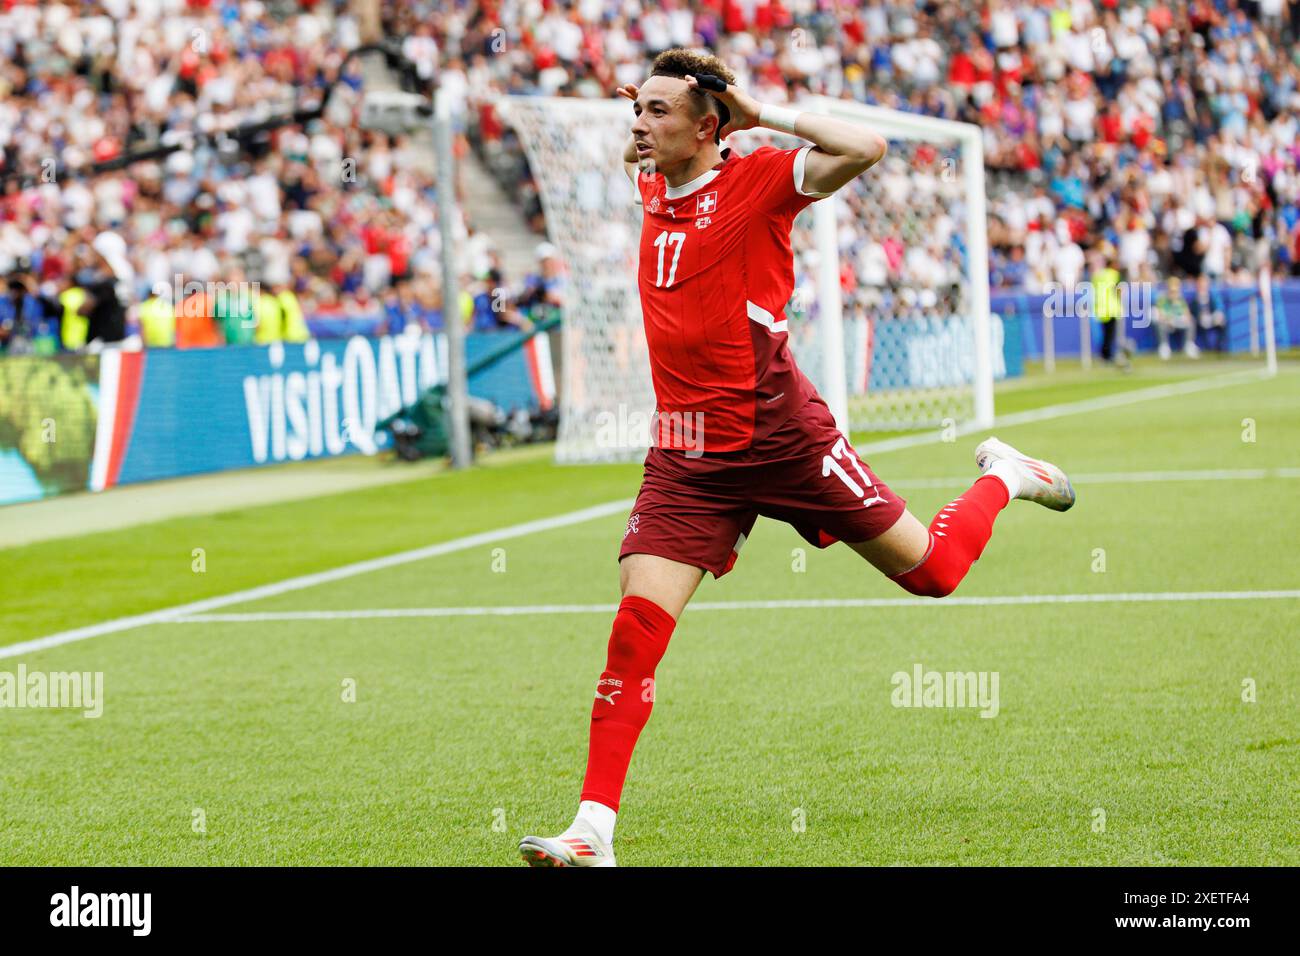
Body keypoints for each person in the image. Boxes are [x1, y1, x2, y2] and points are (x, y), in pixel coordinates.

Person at [518, 49, 1076, 869]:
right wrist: (658, 101)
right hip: (686, 452)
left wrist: (759, 112)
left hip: (784, 437)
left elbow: (865, 148)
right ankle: (592, 830)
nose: (639, 124)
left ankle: (1004, 477)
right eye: (638, 110)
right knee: (635, 630)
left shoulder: (760, 181)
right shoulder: (650, 183)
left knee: (933, 574)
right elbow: (649, 141)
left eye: (658, 112)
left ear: (708, 129)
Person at [1153, 276, 1199, 360]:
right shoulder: (1162, 299)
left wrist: (1183, 318)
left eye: (1175, 291)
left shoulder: (1180, 299)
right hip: (1167, 324)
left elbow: (1187, 314)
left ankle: (1188, 345)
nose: (1173, 294)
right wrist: (1168, 319)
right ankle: (1164, 346)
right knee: (1159, 324)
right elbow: (1160, 315)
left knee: (1191, 321)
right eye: (1172, 291)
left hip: (1178, 322)